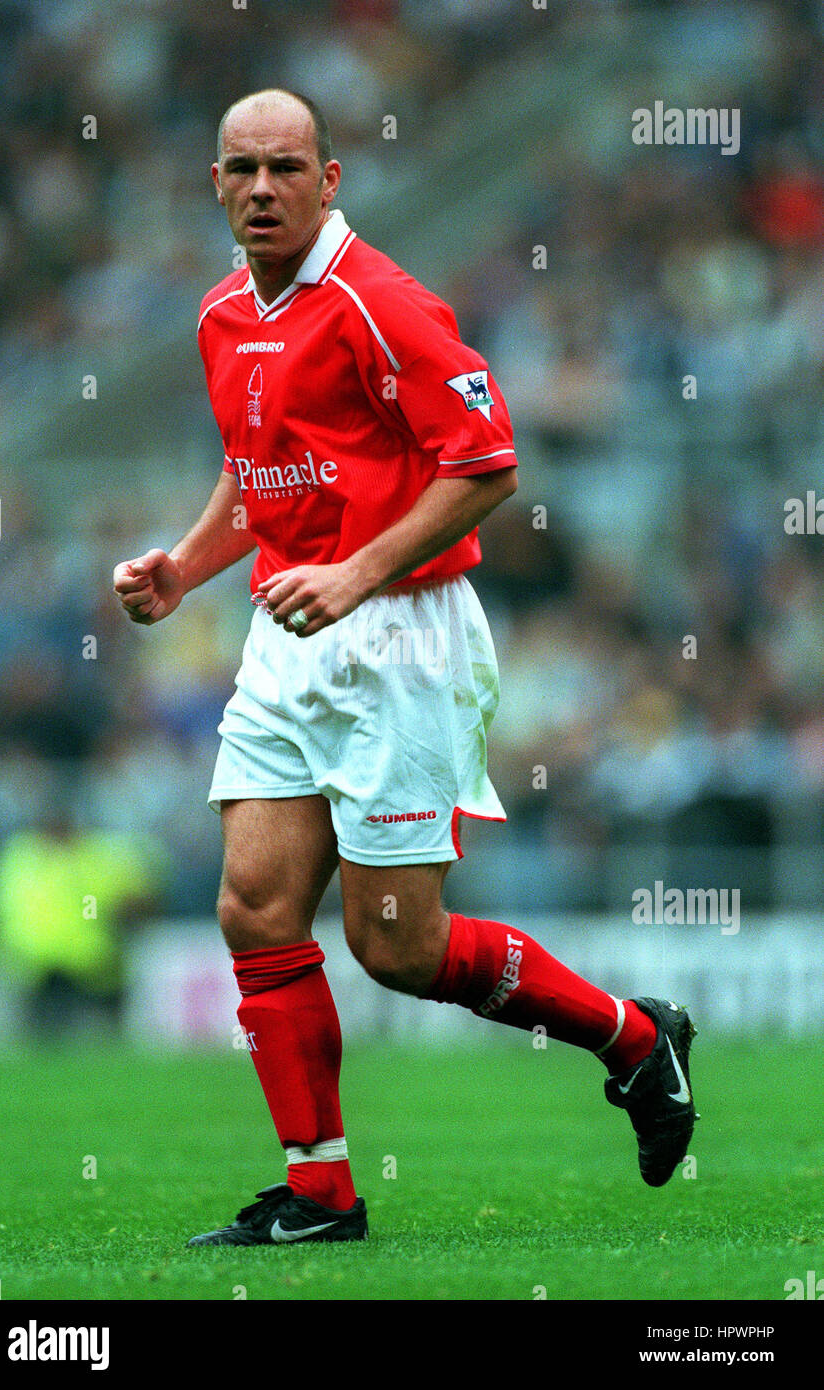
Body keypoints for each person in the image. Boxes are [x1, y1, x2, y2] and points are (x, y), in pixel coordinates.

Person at [113, 88, 697, 1248]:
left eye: (287, 167)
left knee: (395, 947)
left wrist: (356, 575)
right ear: (214, 185)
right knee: (253, 906)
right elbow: (258, 474)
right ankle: (321, 1193)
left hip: (400, 638)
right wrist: (185, 564)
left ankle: (634, 1038)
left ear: (331, 179)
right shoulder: (223, 313)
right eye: (242, 168)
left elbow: (485, 462)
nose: (264, 188)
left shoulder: (382, 304)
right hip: (287, 632)